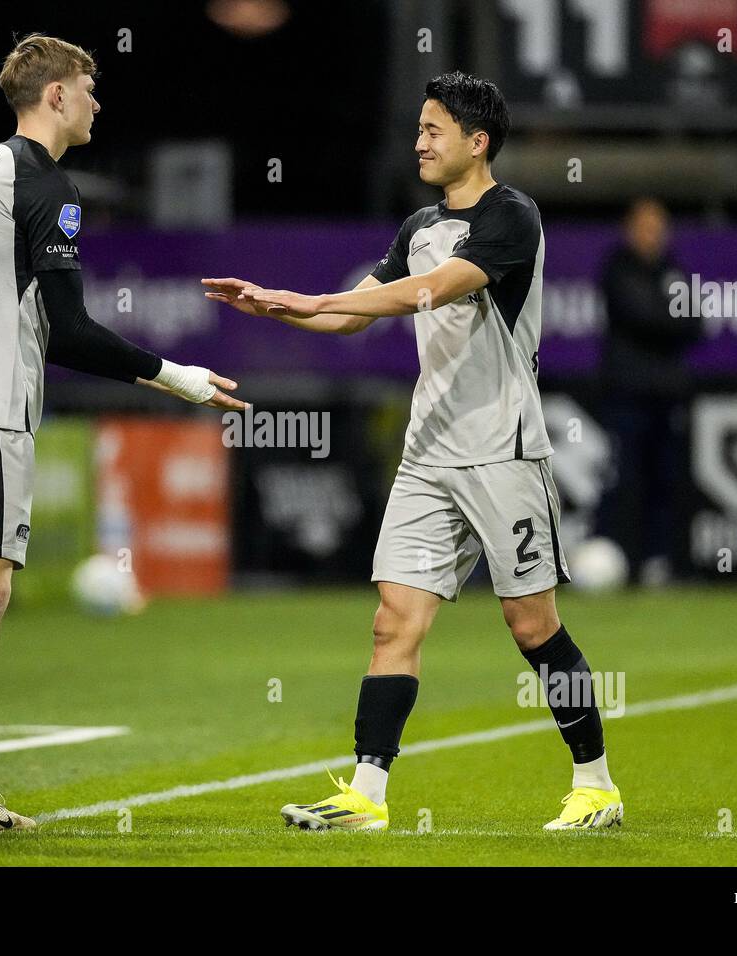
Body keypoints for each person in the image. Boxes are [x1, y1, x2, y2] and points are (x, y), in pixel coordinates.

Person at [205, 71, 621, 831]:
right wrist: (279, 305)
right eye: (420, 128)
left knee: (532, 625)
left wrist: (320, 297)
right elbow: (356, 319)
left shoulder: (511, 217)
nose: (421, 141)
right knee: (394, 621)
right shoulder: (419, 224)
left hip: (504, 451)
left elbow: (426, 292)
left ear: (477, 141)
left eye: (435, 130)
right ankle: (367, 793)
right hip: (429, 454)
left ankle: (596, 785)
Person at [0, 34, 245, 836]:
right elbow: (72, 332)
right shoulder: (46, 185)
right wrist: (177, 376)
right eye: (89, 87)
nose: (97, 101)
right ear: (54, 95)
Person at [597, 197, 699, 585]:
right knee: (624, 480)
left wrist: (664, 317)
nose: (652, 236)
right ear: (630, 230)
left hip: (667, 396)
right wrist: (666, 316)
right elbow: (638, 315)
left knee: (666, 481)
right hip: (627, 394)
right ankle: (614, 560)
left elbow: (695, 322)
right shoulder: (617, 269)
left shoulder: (673, 270)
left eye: (658, 228)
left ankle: (658, 562)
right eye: (645, 227)